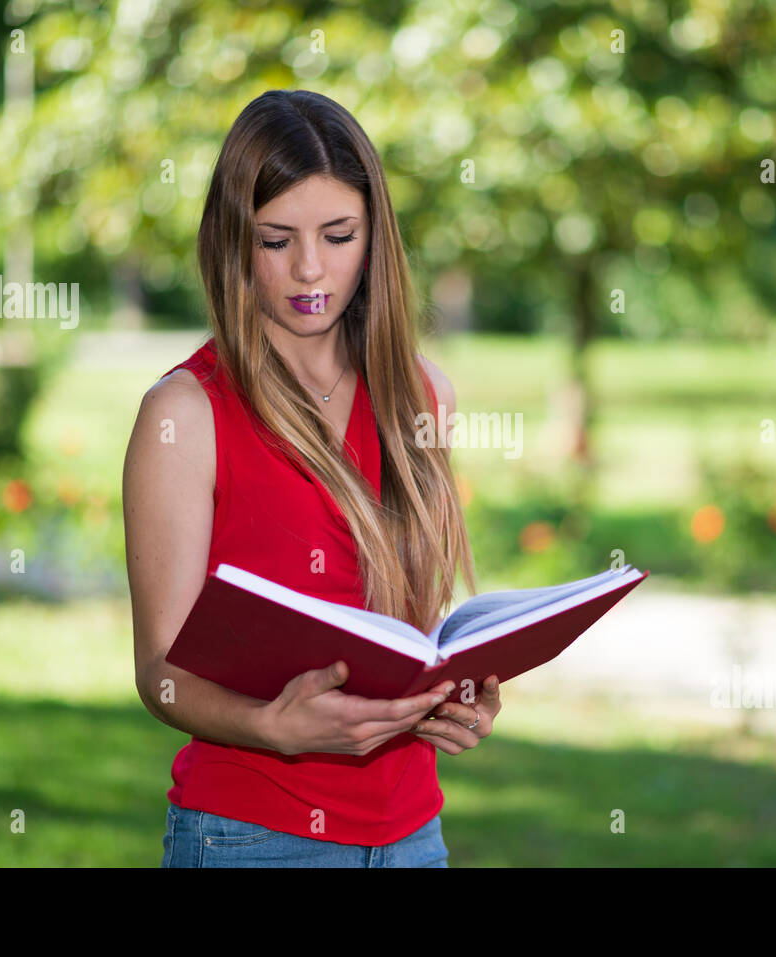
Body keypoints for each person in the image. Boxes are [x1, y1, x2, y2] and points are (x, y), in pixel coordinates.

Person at [122, 89, 501, 867]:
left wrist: (454, 696)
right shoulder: (185, 415)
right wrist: (271, 726)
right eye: (275, 239)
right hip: (251, 836)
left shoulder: (422, 396)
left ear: (374, 238)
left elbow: (408, 630)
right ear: (233, 240)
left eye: (338, 235)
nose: (309, 269)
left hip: (413, 836)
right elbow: (160, 674)